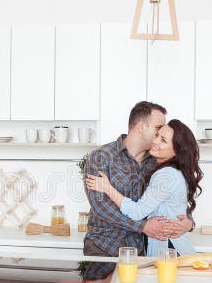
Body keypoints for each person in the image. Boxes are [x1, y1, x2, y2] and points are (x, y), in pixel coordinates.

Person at [82, 102, 193, 269]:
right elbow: (101, 206)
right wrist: (142, 226)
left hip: (140, 249)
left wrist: (188, 222)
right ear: (141, 126)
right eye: (158, 128)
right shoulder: (102, 156)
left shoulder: (158, 161)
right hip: (103, 246)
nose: (161, 132)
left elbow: (172, 201)